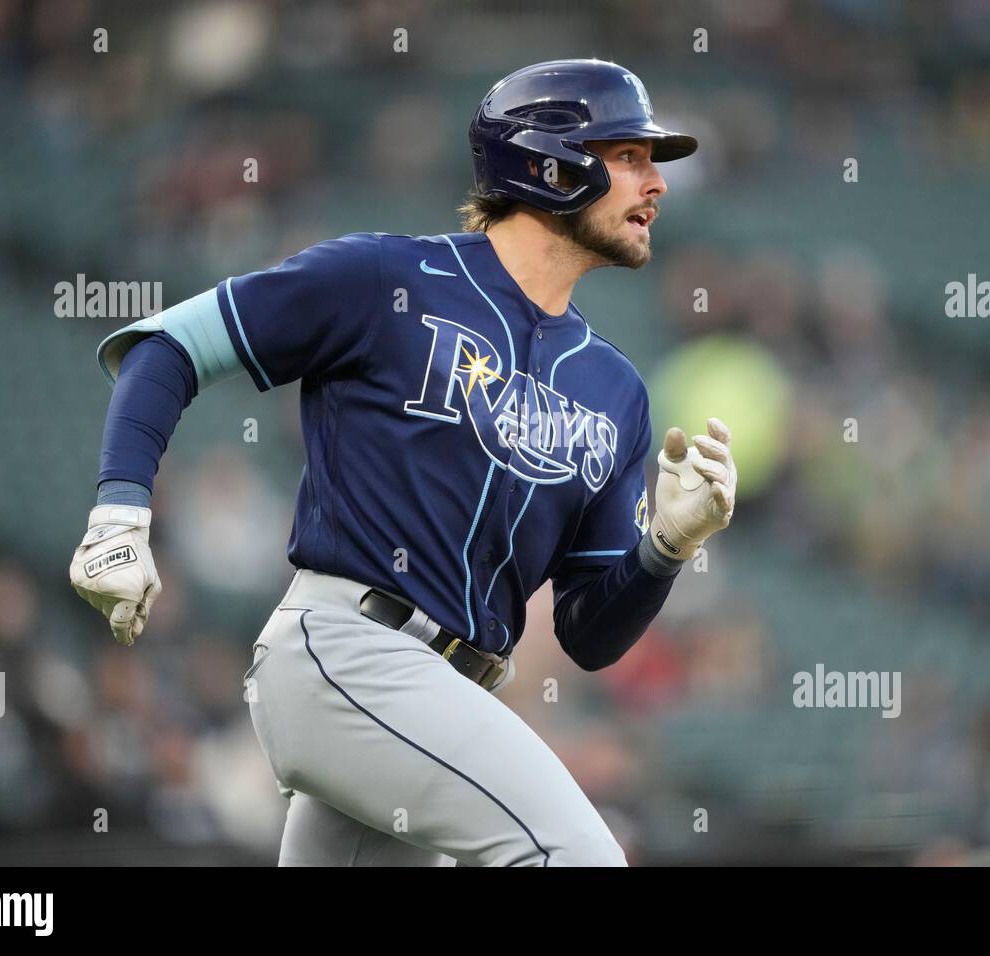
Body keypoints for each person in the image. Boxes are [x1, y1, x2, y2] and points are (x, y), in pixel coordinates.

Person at [69, 59, 738, 866]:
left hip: (438, 700)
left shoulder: (617, 391)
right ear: (548, 163)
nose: (655, 181)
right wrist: (120, 507)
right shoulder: (388, 278)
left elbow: (588, 634)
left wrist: (666, 549)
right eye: (628, 155)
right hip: (346, 651)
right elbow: (170, 346)